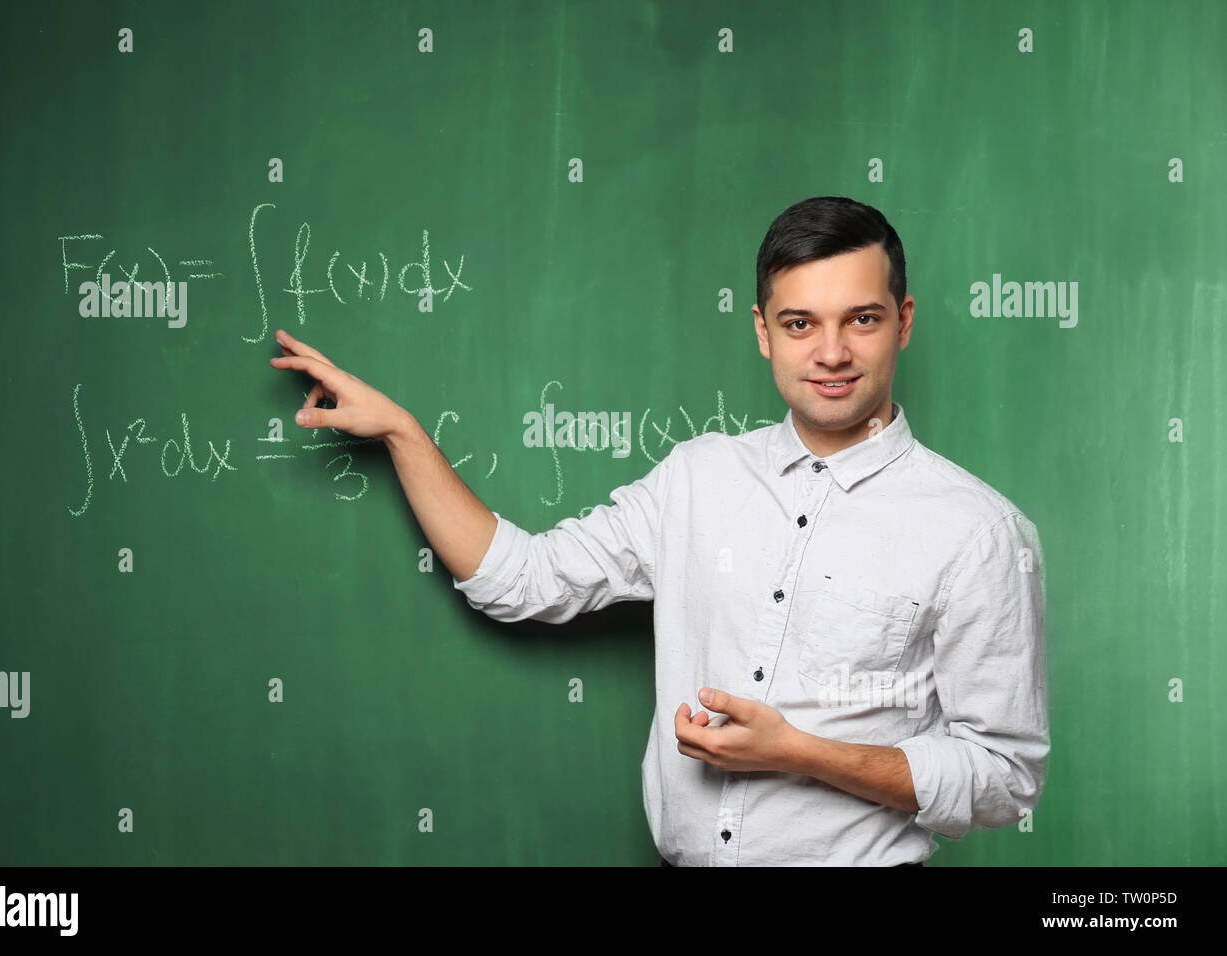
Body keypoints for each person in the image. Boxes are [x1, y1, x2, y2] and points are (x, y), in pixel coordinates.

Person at [269, 196, 1049, 867]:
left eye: (863, 319)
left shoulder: (977, 530)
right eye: (800, 322)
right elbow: (522, 579)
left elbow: (1005, 776)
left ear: (903, 322)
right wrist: (404, 433)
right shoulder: (694, 479)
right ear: (762, 331)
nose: (832, 352)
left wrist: (799, 755)